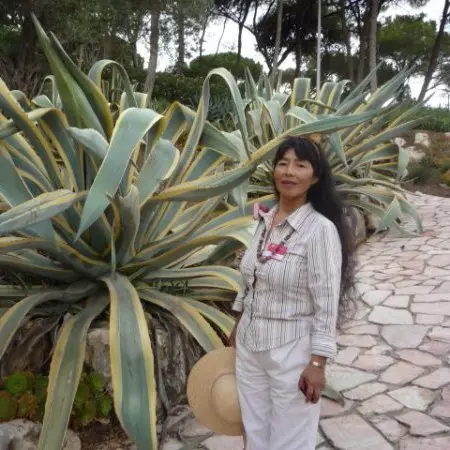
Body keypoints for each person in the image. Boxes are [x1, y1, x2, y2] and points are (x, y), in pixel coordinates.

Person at [229, 136, 355, 450]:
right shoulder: (265, 220)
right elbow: (252, 276)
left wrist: (317, 364)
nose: (290, 171)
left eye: (301, 165)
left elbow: (327, 301)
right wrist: (238, 322)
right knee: (254, 432)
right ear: (273, 171)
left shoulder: (320, 230)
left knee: (290, 441)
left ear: (315, 176)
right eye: (283, 163)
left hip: (292, 350)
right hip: (250, 345)